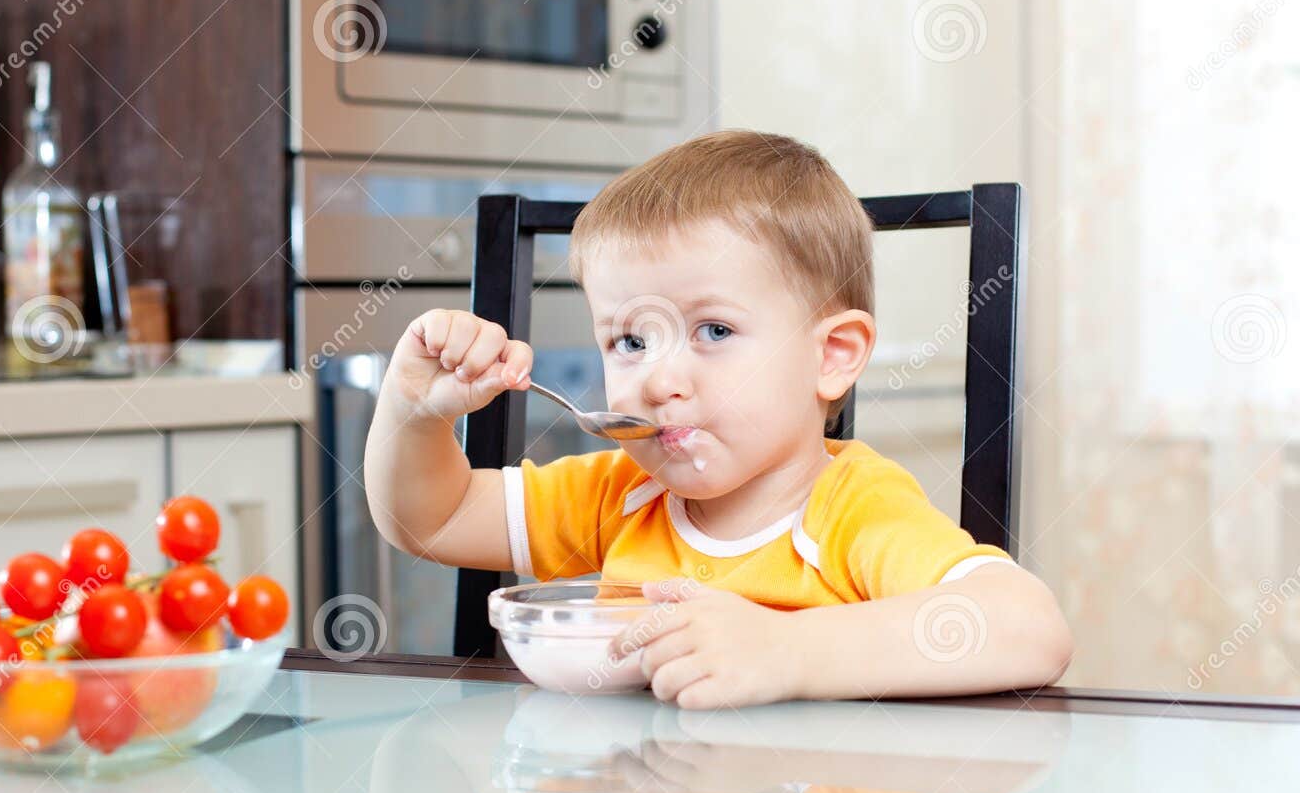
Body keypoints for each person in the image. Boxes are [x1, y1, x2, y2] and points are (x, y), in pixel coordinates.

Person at [364, 130, 1072, 707]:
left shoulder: (849, 509)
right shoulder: (620, 494)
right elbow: (433, 518)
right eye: (631, 341)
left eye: (714, 332)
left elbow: (1029, 628)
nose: (662, 380)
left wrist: (789, 651)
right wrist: (411, 410)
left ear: (832, 356)